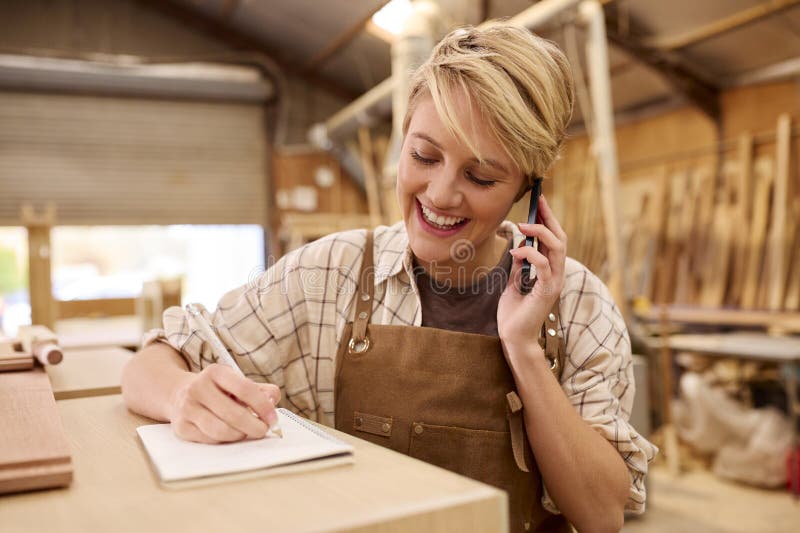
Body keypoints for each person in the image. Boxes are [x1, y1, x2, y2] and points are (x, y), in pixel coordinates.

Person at [122, 22, 656, 533]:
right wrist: (183, 396)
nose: (442, 194)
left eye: (481, 176)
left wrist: (525, 350)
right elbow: (156, 359)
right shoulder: (330, 273)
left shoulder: (578, 302)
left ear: (527, 190)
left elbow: (600, 515)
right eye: (424, 155)